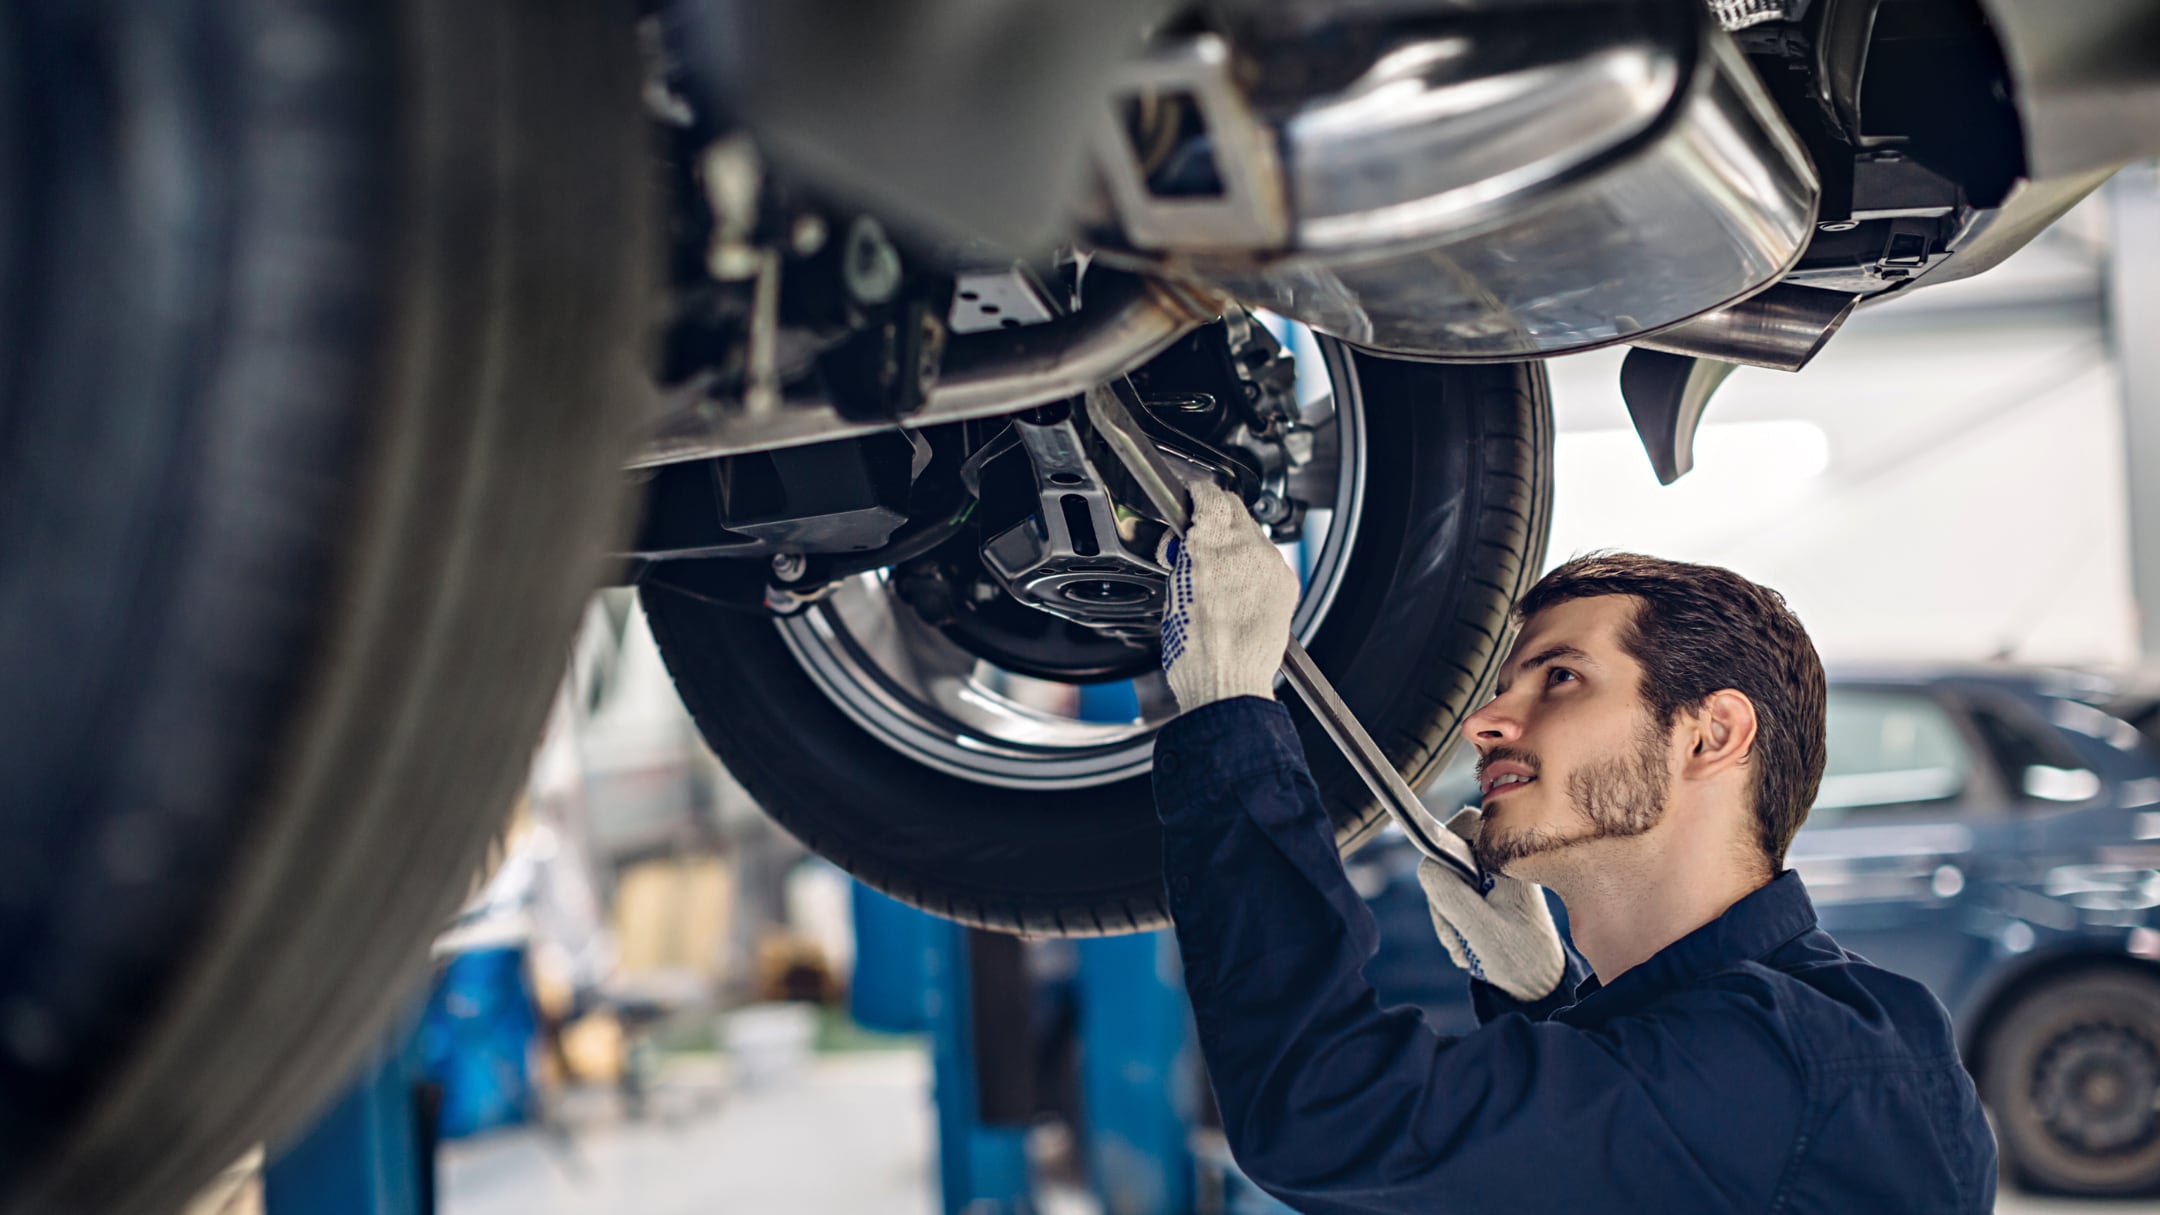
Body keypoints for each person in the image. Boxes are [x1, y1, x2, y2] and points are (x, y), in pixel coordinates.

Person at [1151, 484, 1997, 1213]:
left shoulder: (1790, 1058)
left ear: (1711, 735)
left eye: (1561, 677)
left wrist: (1230, 712)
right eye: (1505, 686)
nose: (1485, 723)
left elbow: (1323, 1115)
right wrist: (1543, 997)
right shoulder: (1812, 1030)